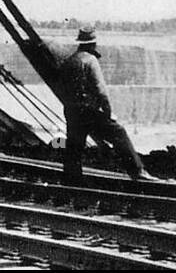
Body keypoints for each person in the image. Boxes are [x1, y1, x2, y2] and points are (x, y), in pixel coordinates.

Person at [58, 26, 156, 183]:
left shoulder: (70, 62)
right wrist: (108, 112)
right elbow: (101, 91)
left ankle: (71, 180)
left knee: (74, 146)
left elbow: (61, 87)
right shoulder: (90, 61)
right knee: (119, 133)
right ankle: (138, 172)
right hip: (90, 111)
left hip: (72, 110)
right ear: (93, 44)